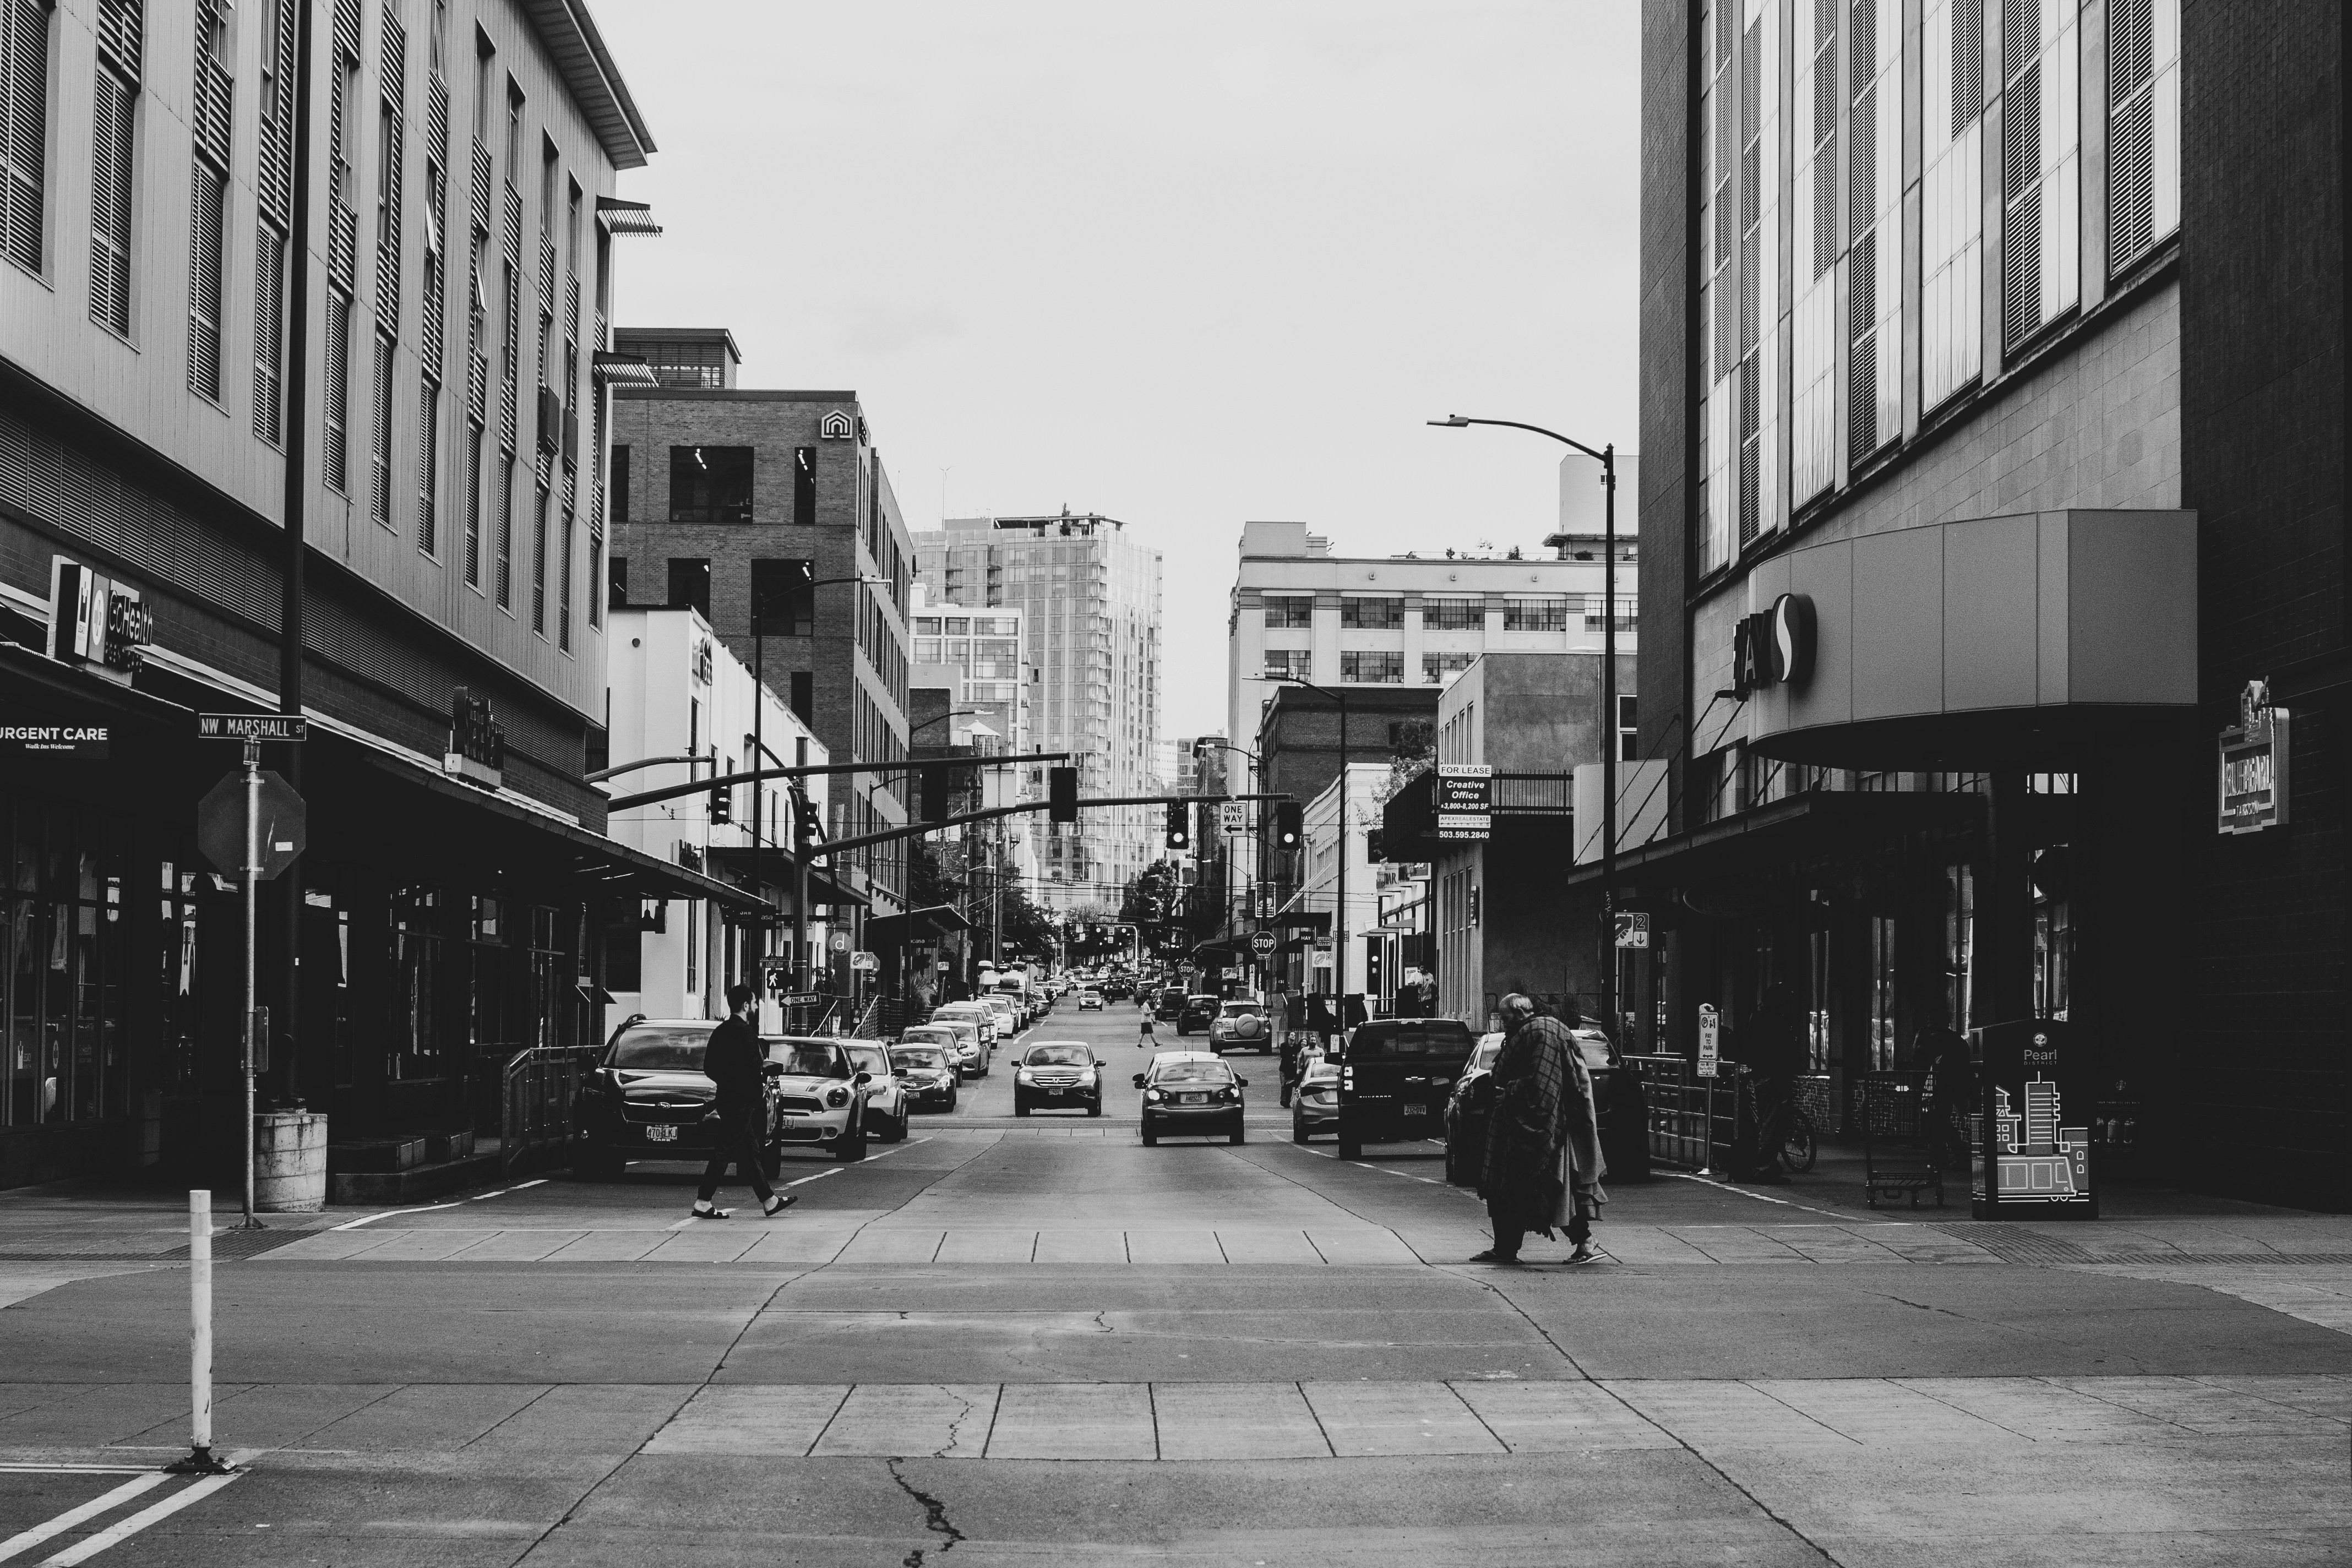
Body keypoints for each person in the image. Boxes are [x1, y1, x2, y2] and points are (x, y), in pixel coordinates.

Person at [1474, 994, 1591, 1264]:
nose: (1503, 1025)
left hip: (1536, 1124)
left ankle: (1585, 1240)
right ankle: (1505, 1248)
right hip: (1513, 1122)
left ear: (1520, 1012)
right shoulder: (1535, 1030)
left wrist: (1512, 1092)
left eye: (1505, 1018)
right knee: (1507, 1188)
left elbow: (1544, 1083)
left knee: (1544, 1187)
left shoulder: (1541, 1032)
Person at [692, 982, 793, 1221]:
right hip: (742, 1103)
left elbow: (709, 1067)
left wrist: (727, 1083)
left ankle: (769, 1201)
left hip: (726, 1099)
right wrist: (751, 1093)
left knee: (750, 1151)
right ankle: (703, 1201)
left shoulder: (720, 1032)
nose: (757, 1006)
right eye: (755, 1002)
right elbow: (754, 1069)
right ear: (746, 1005)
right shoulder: (746, 1033)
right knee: (725, 1150)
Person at [1736, 981, 1807, 1183]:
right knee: (1771, 1124)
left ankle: (1767, 1167)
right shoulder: (1777, 1022)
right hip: (1773, 1077)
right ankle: (1764, 1168)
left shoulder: (1756, 1018)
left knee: (1768, 1122)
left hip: (1760, 1075)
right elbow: (1784, 1053)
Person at [1915, 1012, 1974, 1170]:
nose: (1928, 1025)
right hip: (1954, 1086)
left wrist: (1920, 1035)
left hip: (1941, 1086)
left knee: (1937, 1120)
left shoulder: (1935, 1039)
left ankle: (1948, 1155)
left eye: (1930, 1021)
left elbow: (1918, 1053)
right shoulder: (1958, 1040)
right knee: (1940, 1120)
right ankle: (1947, 1155)